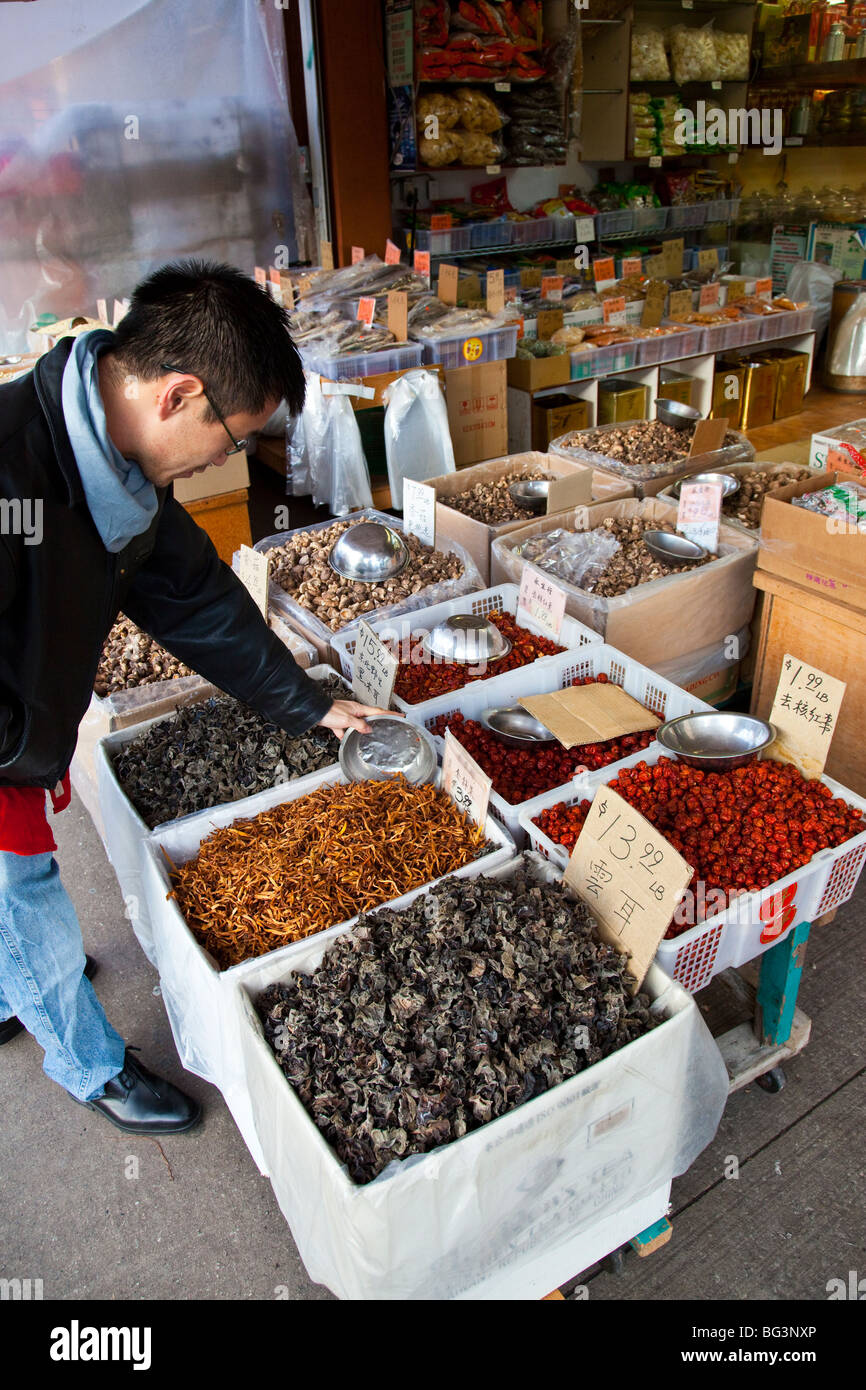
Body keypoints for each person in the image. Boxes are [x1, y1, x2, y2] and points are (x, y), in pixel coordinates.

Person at [0, 259, 386, 1135]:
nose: (228, 459)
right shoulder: (13, 471)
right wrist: (21, 744)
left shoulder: (115, 463)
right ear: (178, 394)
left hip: (24, 726)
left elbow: (194, 597)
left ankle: (17, 978)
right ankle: (87, 1062)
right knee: (21, 891)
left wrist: (307, 704)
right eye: (235, 439)